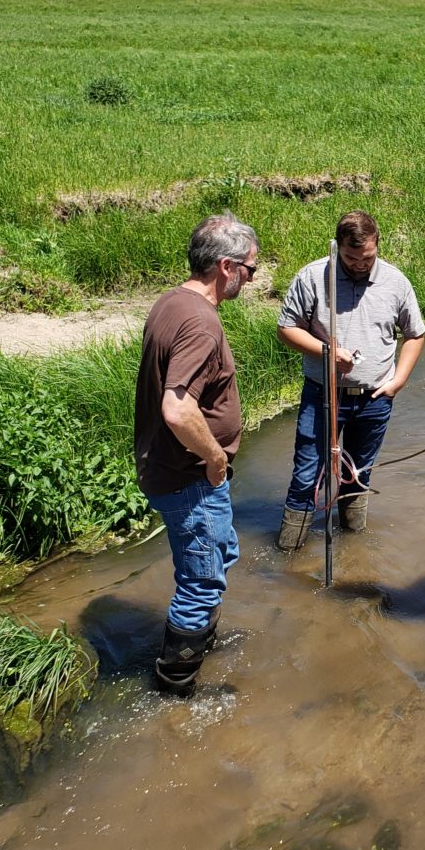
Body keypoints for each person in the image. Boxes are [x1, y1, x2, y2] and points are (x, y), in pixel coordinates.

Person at [135, 213, 259, 696]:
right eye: (250, 270)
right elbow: (177, 407)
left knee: (219, 554)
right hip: (189, 476)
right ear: (226, 267)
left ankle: (200, 643)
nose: (250, 279)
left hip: (170, 468)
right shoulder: (201, 323)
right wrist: (214, 458)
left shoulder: (170, 302)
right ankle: (175, 687)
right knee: (201, 583)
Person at [275, 210, 425, 550]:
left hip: (375, 398)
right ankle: (289, 553)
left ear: (377, 247)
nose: (359, 264)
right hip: (323, 394)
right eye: (351, 258)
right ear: (337, 247)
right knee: (306, 476)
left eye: (367, 257)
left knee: (357, 476)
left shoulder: (395, 281)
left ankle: (354, 551)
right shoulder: (313, 278)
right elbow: (286, 328)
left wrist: (398, 380)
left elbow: (415, 334)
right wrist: (327, 352)